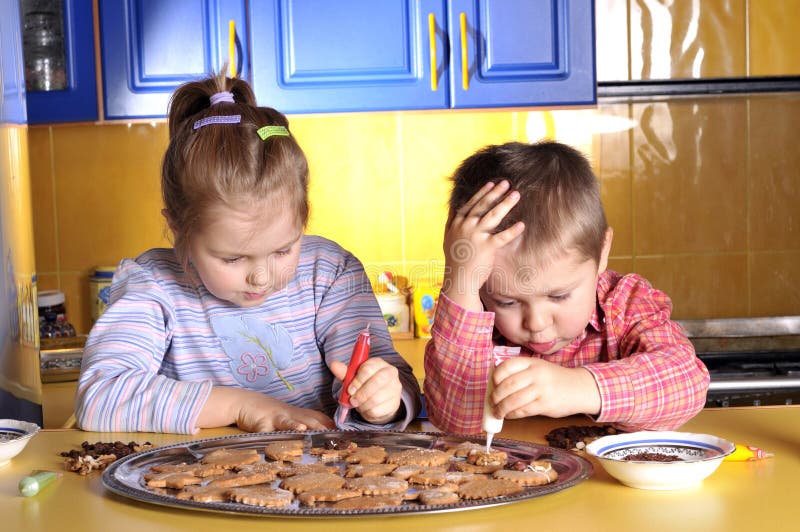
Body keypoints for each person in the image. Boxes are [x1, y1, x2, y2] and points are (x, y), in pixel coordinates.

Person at [75, 73, 421, 434]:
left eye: (283, 249)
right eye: (233, 258)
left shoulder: (331, 273)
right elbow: (101, 394)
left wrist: (383, 402)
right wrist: (244, 405)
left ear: (303, 217)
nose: (261, 276)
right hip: (196, 486)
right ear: (180, 229)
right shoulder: (153, 284)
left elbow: (395, 383)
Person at [423, 141, 709, 434]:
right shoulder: (474, 311)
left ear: (602, 252)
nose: (536, 323)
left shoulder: (627, 304)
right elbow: (456, 423)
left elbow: (687, 383)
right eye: (507, 302)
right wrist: (461, 285)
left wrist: (579, 387)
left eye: (559, 296)